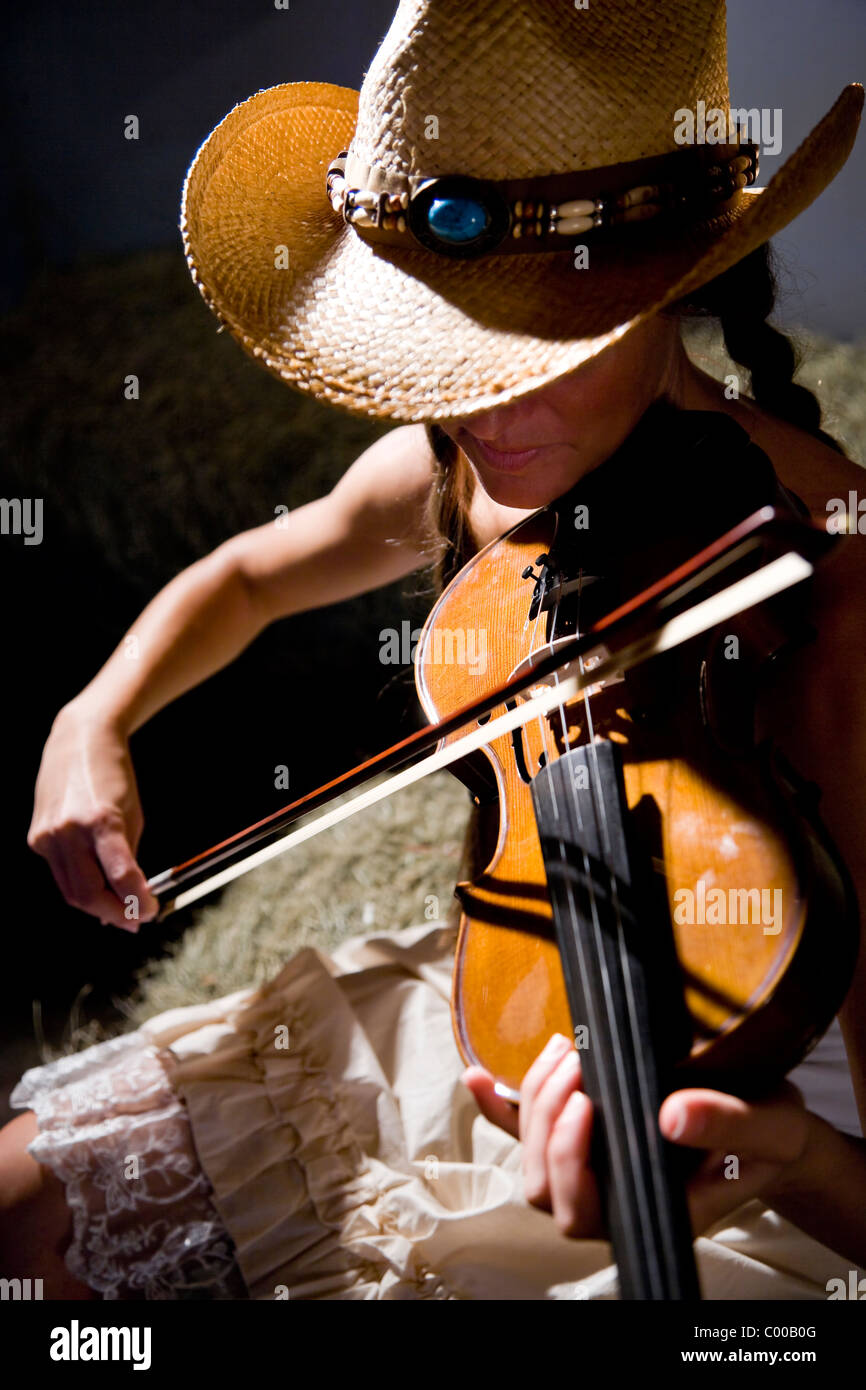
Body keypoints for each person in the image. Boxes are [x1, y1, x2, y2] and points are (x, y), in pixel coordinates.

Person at [1, 0, 865, 1300]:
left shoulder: (830, 589)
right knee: (16, 1205)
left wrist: (779, 1151)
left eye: (541, 345)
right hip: (496, 994)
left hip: (767, 1116)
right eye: (436, 346)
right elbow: (240, 580)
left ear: (674, 283)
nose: (480, 402)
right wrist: (91, 722)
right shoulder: (475, 460)